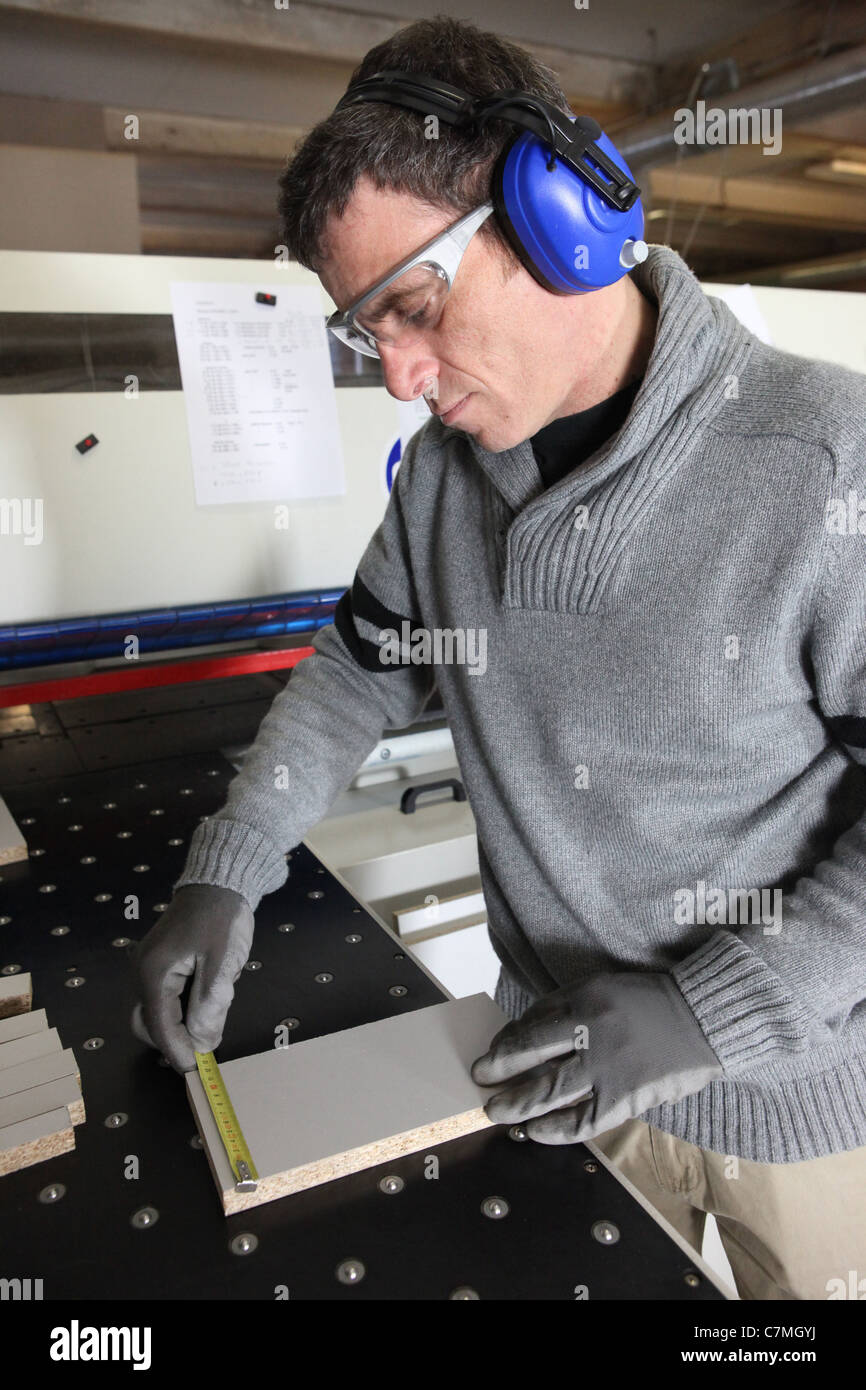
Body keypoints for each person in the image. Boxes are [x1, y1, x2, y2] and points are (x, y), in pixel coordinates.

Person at [133, 17, 866, 1301]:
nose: (403, 377)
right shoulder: (438, 485)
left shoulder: (821, 463)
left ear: (557, 215)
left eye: (413, 307)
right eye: (370, 334)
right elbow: (358, 671)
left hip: (801, 1111)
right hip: (562, 1071)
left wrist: (711, 1009)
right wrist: (232, 866)